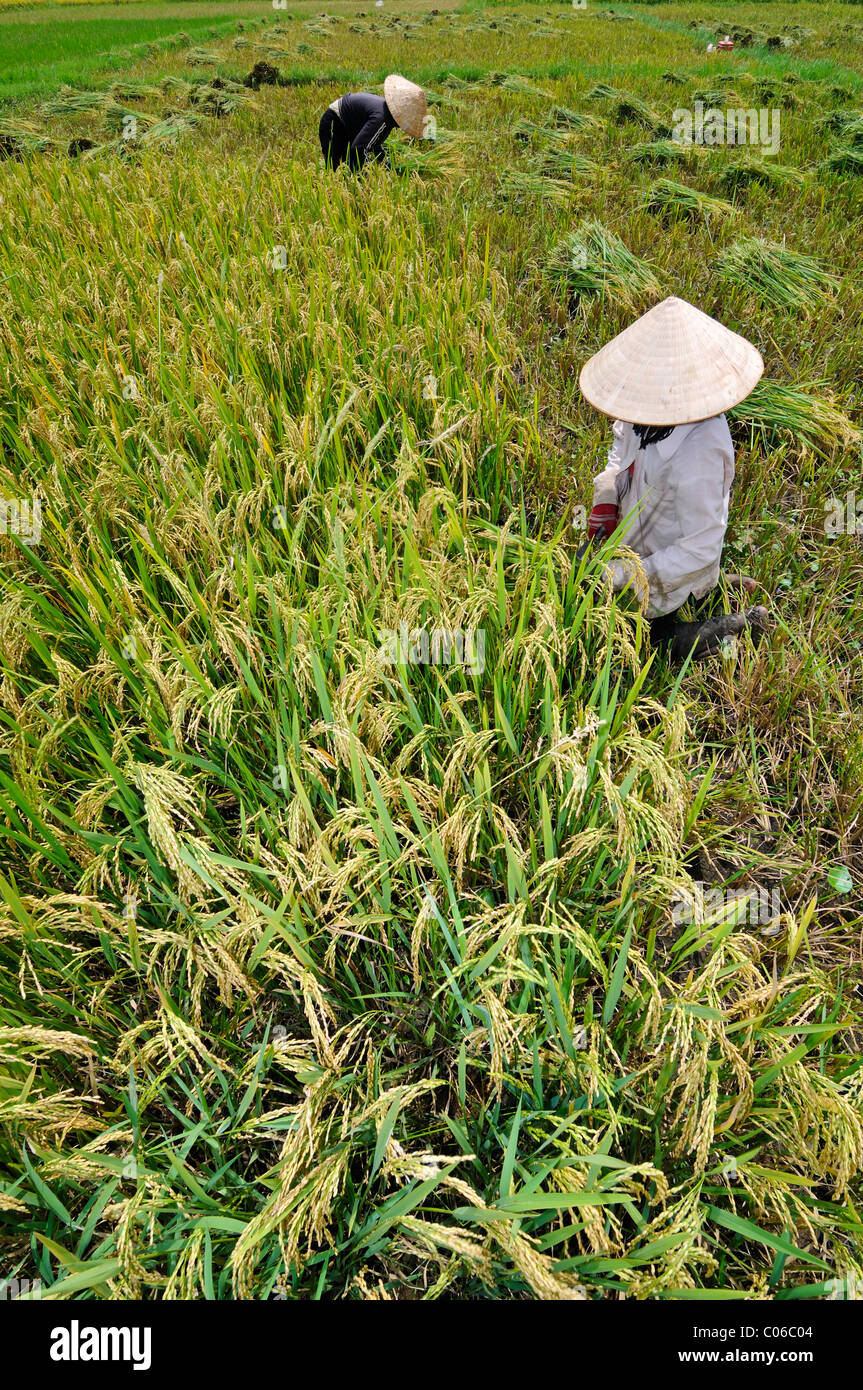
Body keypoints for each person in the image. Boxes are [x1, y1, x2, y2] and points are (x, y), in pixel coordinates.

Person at [578, 295, 770, 663]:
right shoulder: (643, 407)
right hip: (637, 532)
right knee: (594, 574)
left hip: (672, 554)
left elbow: (700, 548)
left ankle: (735, 623)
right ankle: (709, 584)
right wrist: (607, 490)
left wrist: (629, 574)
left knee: (646, 640)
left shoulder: (699, 454)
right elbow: (621, 443)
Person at [319, 73, 427, 171]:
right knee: (334, 166)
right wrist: (371, 170)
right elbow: (359, 148)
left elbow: (374, 144)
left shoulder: (387, 118)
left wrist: (387, 165)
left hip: (347, 123)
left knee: (348, 165)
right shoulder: (382, 119)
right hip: (335, 120)